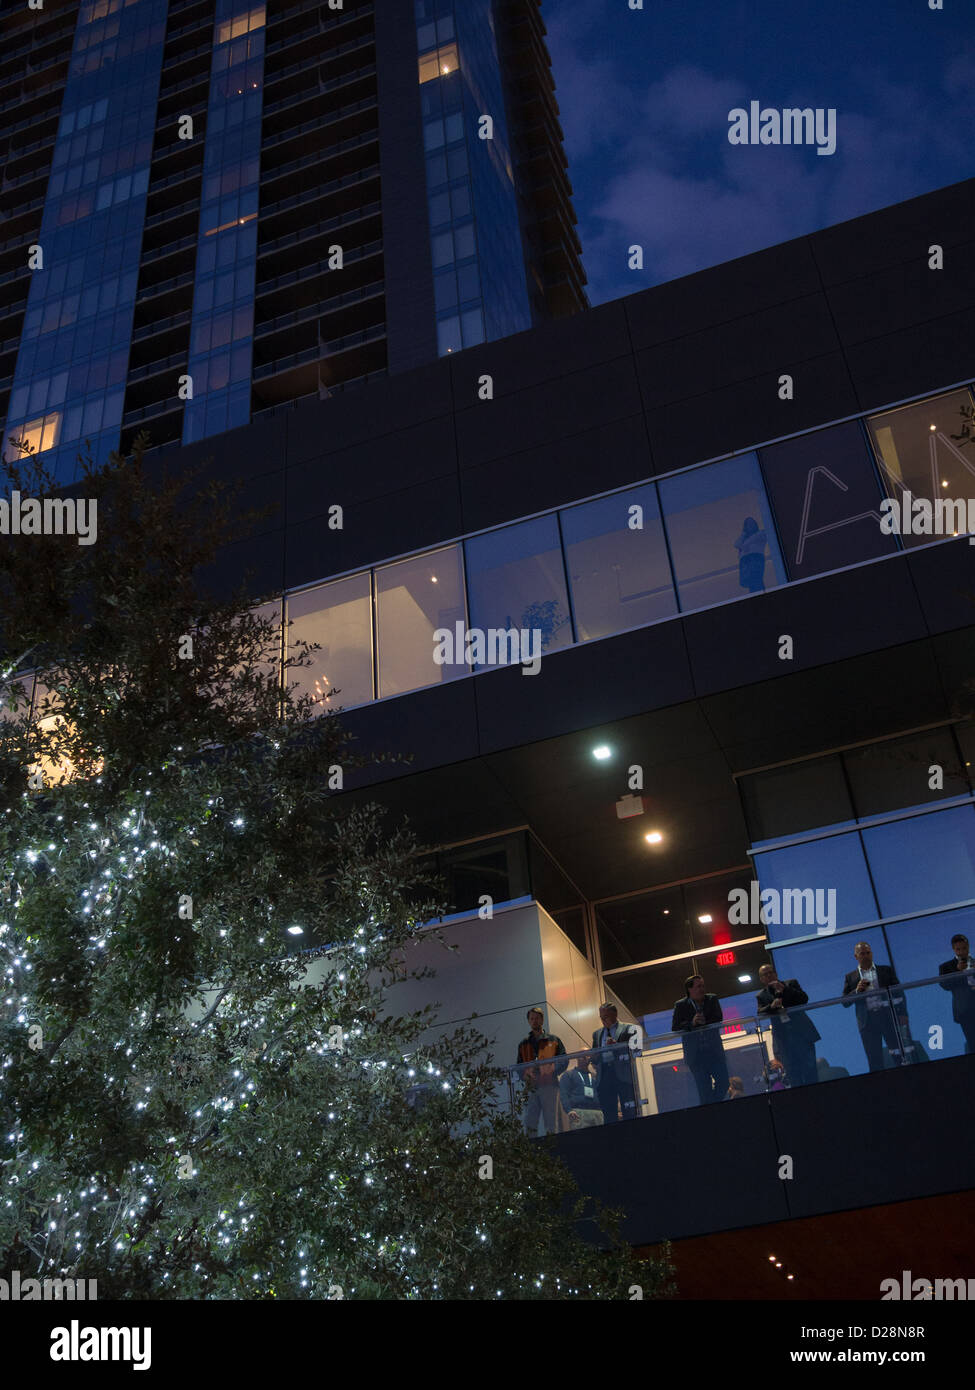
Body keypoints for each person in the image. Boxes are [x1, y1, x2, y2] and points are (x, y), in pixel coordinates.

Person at [841, 941, 908, 1073]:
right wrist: (856, 991)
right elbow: (845, 1002)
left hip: (888, 1017)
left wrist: (903, 1014)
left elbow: (899, 992)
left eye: (868, 953)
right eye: (862, 953)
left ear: (872, 953)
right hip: (867, 1023)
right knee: (874, 1060)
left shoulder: (886, 970)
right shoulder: (851, 977)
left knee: (899, 1055)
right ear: (856, 956)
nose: (866, 956)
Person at [755, 963, 821, 1087]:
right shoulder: (761, 995)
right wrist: (771, 1006)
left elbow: (804, 998)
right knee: (793, 1073)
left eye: (771, 972)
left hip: (802, 1034)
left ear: (776, 973)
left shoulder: (791, 984)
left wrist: (785, 989)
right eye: (766, 974)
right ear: (761, 979)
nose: (769, 975)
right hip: (784, 1039)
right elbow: (759, 1012)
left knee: (810, 1070)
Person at [671, 975, 729, 1105]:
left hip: (714, 1052)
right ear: (689, 989)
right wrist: (692, 1023)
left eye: (703, 986)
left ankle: (711, 1107)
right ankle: (711, 1113)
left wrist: (704, 1022)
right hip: (696, 1056)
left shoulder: (712, 999)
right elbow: (675, 1027)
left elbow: (718, 1018)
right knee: (704, 1089)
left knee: (724, 1083)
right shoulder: (681, 1005)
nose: (702, 989)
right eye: (698, 986)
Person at [516, 1007, 567, 1135]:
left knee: (551, 1123)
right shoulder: (523, 1043)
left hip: (549, 1085)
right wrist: (526, 1076)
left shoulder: (553, 1040)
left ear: (542, 1020)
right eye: (532, 1018)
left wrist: (551, 1071)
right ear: (528, 1021)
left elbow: (564, 1060)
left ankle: (553, 1151)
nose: (534, 1021)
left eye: (537, 1018)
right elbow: (519, 1066)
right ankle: (533, 1152)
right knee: (530, 1121)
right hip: (531, 1087)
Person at [590, 1003, 640, 1124]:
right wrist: (593, 1057)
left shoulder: (630, 1028)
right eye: (601, 1017)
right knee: (609, 1114)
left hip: (623, 1075)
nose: (603, 1020)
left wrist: (617, 1046)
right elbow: (595, 1055)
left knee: (629, 1112)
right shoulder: (597, 1034)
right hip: (605, 1076)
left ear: (615, 1014)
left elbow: (637, 1050)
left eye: (606, 1016)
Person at [938, 933, 975, 1055]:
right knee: (972, 1041)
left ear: (968, 947)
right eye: (958, 949)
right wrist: (958, 971)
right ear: (953, 949)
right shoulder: (946, 967)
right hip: (965, 1010)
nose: (962, 952)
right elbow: (945, 985)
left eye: (964, 948)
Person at [558, 1051, 604, 1129]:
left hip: (597, 1113)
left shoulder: (595, 1076)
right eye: (581, 1054)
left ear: (590, 1058)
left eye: (587, 1054)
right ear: (577, 1057)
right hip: (578, 1113)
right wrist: (569, 1110)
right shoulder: (568, 1075)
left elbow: (603, 1094)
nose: (584, 1056)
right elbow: (563, 1094)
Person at [734, 516, 768, 593]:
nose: (750, 525)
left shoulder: (761, 534)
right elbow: (736, 544)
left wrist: (743, 546)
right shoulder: (745, 538)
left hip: (755, 558)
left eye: (752, 523)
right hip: (745, 561)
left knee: (756, 579)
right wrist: (744, 534)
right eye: (748, 524)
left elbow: (744, 544)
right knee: (750, 582)